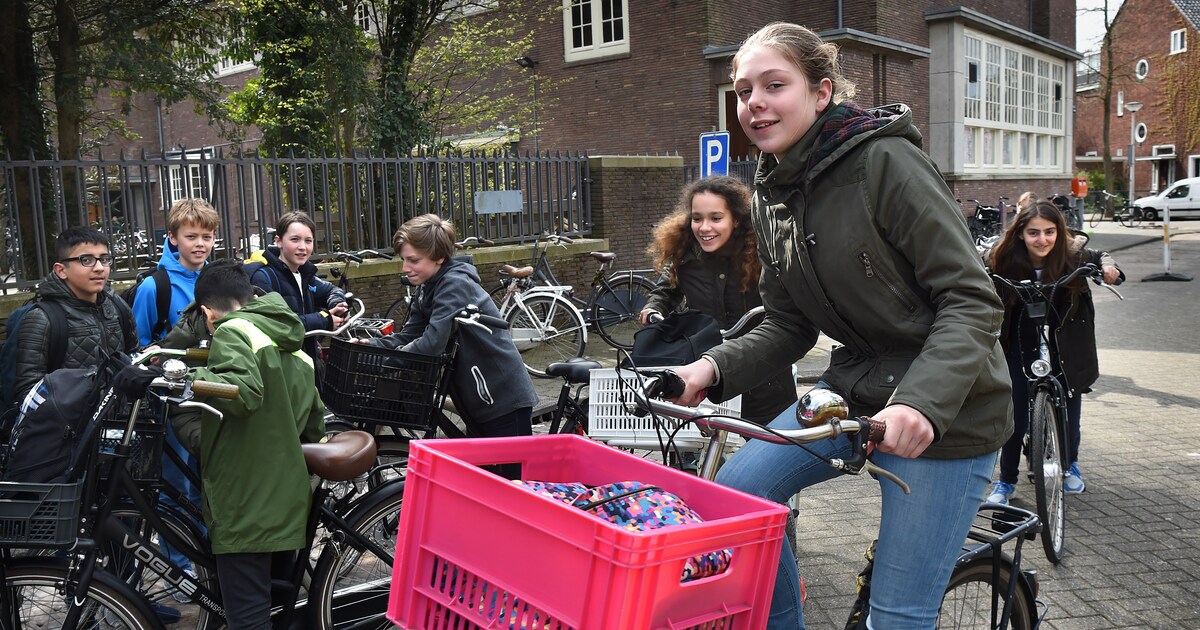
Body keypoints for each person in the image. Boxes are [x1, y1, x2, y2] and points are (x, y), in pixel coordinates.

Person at [668, 22, 1012, 628]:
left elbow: (972, 299)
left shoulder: (886, 163)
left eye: (775, 85)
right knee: (737, 501)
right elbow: (788, 322)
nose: (755, 103)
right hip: (850, 393)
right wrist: (713, 366)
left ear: (821, 92)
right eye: (744, 91)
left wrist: (921, 406)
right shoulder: (773, 189)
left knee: (898, 615)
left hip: (947, 412)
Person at [121, 258, 326, 629]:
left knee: (246, 617)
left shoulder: (233, 332)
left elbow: (243, 392)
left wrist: (180, 375)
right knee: (279, 605)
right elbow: (312, 420)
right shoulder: (283, 334)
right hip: (284, 489)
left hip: (245, 499)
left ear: (207, 313)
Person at [363, 214, 536, 477]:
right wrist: (371, 347)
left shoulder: (454, 284)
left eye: (413, 260)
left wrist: (386, 360)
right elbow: (410, 335)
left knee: (513, 487)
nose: (405, 268)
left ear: (439, 258)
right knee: (488, 482)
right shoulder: (429, 286)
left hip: (502, 397)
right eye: (404, 260)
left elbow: (431, 344)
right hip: (478, 396)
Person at [984, 201, 1123, 503]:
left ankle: (1070, 465)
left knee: (1069, 407)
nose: (1042, 240)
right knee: (1014, 413)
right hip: (1019, 343)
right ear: (1020, 233)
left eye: (1049, 232)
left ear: (1059, 233)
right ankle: (1006, 481)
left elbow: (1100, 256)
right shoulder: (1003, 257)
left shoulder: (1071, 256)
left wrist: (1108, 269)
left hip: (1065, 345)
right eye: (1033, 233)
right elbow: (980, 257)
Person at [639, 175, 795, 424]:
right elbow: (667, 289)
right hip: (704, 373)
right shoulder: (685, 253)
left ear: (735, 219)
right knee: (697, 449)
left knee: (765, 447)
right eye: (697, 218)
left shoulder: (762, 253)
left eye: (716, 218)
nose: (704, 227)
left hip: (763, 375)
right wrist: (654, 306)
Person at [130, 198, 218, 591]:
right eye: (191, 236)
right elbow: (141, 347)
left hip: (212, 397)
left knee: (207, 481)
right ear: (172, 238)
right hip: (172, 404)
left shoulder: (216, 280)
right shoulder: (155, 287)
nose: (200, 243)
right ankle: (179, 569)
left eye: (208, 235)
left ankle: (207, 558)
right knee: (173, 487)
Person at [14, 227, 139, 404]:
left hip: (122, 424)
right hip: (68, 428)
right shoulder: (42, 319)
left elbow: (132, 356)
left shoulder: (118, 306)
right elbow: (28, 392)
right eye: (86, 260)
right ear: (61, 270)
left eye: (104, 259)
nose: (99, 268)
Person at [246, 211, 348, 369]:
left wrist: (337, 302)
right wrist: (325, 320)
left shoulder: (305, 274)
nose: (303, 247)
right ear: (278, 241)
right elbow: (278, 324)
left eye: (308, 241)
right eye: (295, 240)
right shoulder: (263, 277)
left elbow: (331, 290)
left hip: (306, 361)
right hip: (280, 367)